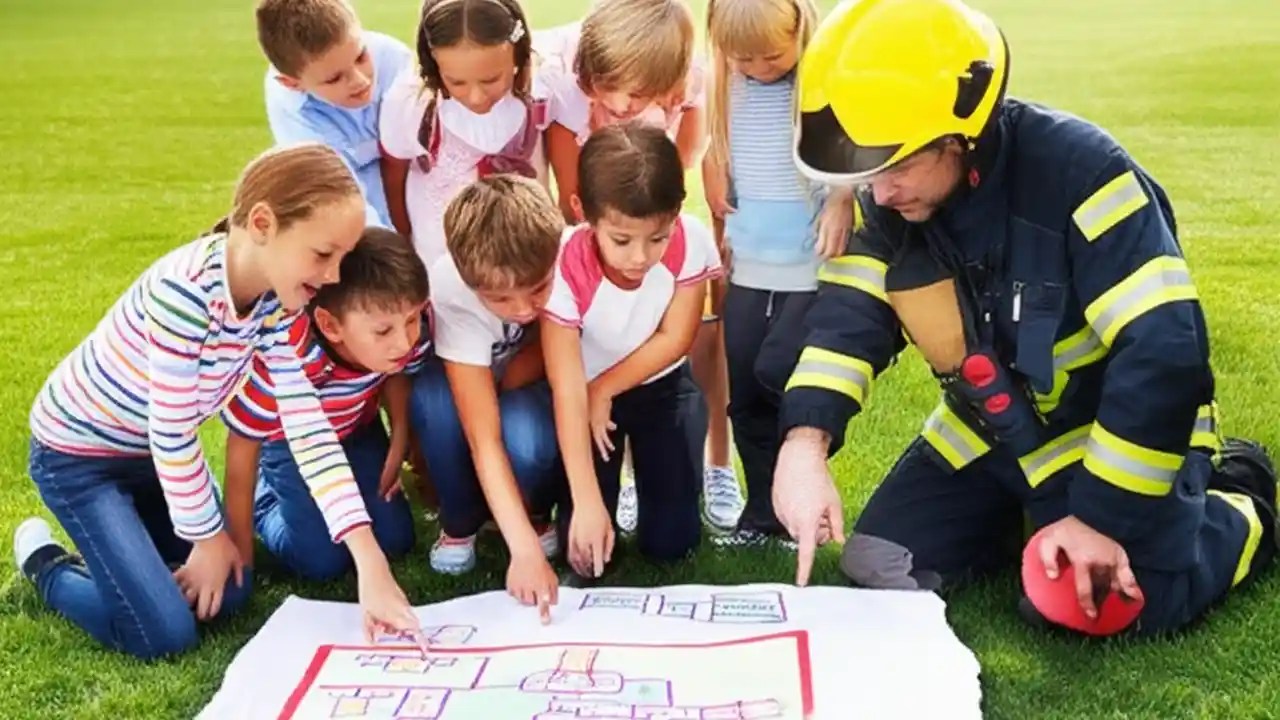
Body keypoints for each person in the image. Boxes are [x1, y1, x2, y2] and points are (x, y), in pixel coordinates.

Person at [768, 0, 1279, 637]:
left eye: (896, 167)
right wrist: (805, 444)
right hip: (992, 436)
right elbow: (850, 318)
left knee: (1103, 608)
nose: (880, 194)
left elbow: (1165, 352)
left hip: (1106, 435)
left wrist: (1101, 518)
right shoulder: (897, 204)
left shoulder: (1084, 175)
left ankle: (1240, 500)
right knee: (879, 566)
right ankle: (1031, 518)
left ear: (959, 138)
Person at [12, 144, 425, 660]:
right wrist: (207, 538)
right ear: (262, 223)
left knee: (228, 591)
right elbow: (173, 433)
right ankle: (47, 564)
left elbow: (307, 427)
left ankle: (132, 554)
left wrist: (370, 562)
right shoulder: (183, 295)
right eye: (323, 255)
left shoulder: (273, 302)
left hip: (149, 462)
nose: (335, 277)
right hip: (78, 461)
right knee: (164, 635)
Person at [536, 0, 737, 537]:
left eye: (641, 92)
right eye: (613, 88)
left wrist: (647, 223)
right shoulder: (569, 98)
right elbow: (568, 191)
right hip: (600, 216)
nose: (623, 102)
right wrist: (598, 245)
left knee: (670, 540)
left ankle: (707, 466)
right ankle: (613, 483)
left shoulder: (685, 86)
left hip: (647, 199)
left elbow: (686, 157)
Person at [702, 0, 854, 545]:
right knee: (744, 394)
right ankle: (763, 515)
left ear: (800, 30)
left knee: (779, 375)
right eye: (743, 59)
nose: (760, 68)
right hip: (749, 264)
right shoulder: (723, 84)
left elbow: (850, 144)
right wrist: (711, 172)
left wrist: (842, 197)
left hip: (807, 267)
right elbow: (718, 149)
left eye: (771, 55)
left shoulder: (821, 78)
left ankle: (801, 500)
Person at [543, 122, 722, 582]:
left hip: (662, 387)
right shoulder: (562, 262)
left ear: (677, 213)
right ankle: (596, 499)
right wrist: (584, 502)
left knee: (671, 544)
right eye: (621, 240)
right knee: (583, 553)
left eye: (657, 237)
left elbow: (677, 338)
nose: (640, 256)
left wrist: (607, 386)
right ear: (584, 212)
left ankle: (658, 492)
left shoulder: (692, 239)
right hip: (583, 399)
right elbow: (566, 387)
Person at [222, 227, 431, 583]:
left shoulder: (408, 336)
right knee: (321, 563)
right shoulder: (289, 357)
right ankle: (266, 500)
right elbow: (242, 443)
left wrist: (398, 444)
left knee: (396, 540)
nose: (404, 341)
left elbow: (398, 375)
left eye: (412, 320)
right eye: (384, 331)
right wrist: (240, 552)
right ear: (331, 326)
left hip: (357, 432)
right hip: (288, 444)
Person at [410, 175, 564, 620]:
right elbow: (483, 438)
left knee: (527, 433)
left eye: (537, 289)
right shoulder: (451, 287)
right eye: (499, 297)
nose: (521, 309)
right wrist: (523, 554)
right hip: (466, 381)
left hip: (523, 386)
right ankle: (460, 521)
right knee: (435, 403)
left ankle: (531, 512)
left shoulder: (565, 257)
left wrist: (513, 376)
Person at [379, 0, 551, 270]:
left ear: (517, 55)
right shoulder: (412, 105)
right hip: (440, 257)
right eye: (456, 82)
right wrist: (403, 242)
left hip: (520, 256)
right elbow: (393, 176)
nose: (476, 96)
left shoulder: (538, 93)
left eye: (491, 79)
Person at [256, 0, 413, 227]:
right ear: (292, 83)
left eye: (361, 57)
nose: (360, 80)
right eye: (334, 78)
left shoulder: (394, 59)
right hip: (351, 191)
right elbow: (338, 189)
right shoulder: (292, 110)